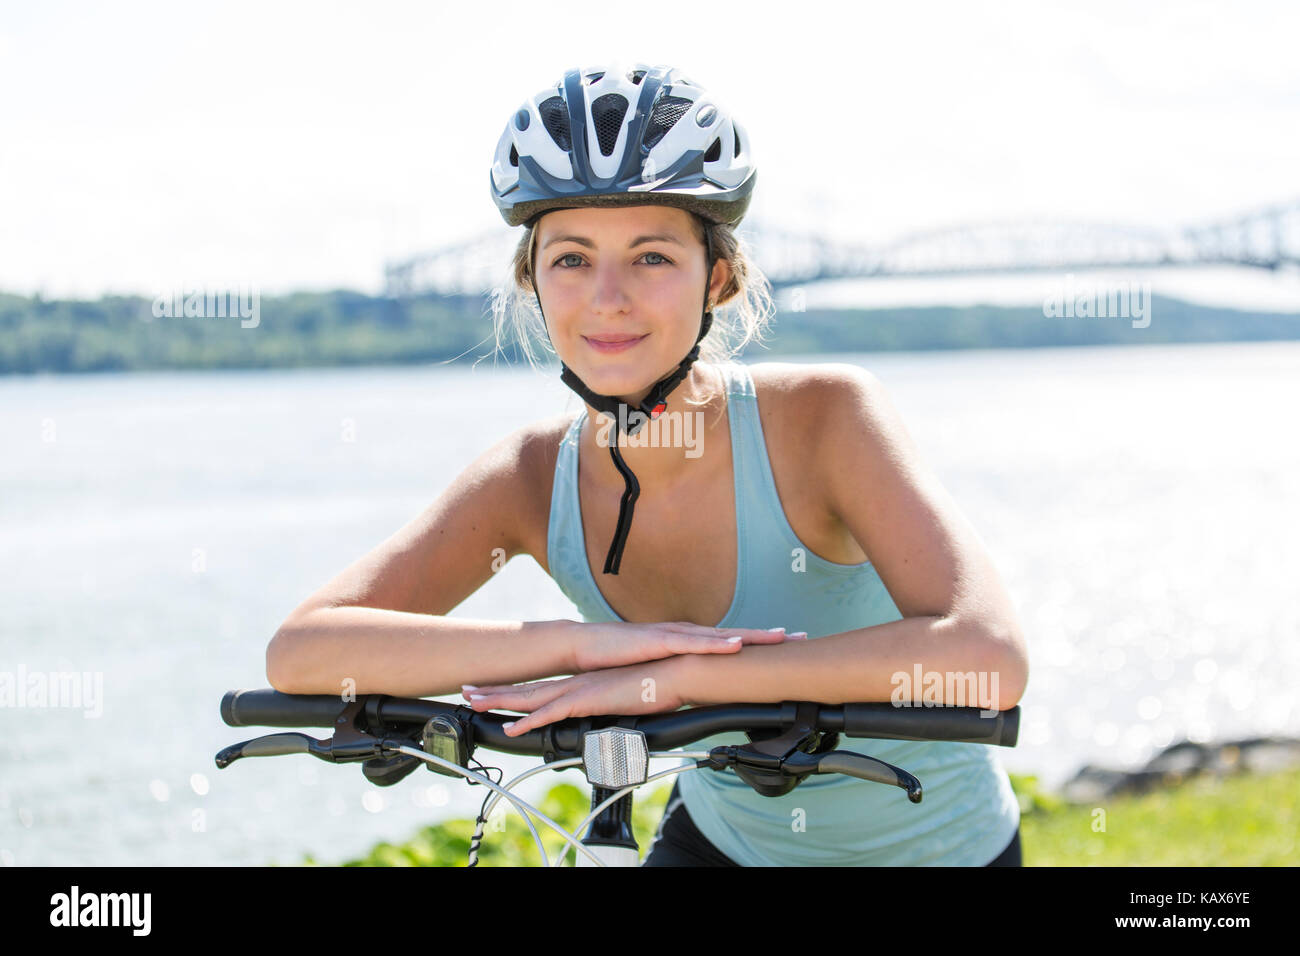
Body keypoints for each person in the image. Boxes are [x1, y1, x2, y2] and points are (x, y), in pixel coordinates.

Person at [265, 62, 1028, 866]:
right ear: (532, 282)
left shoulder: (823, 419)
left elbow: (988, 658)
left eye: (653, 257)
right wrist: (576, 648)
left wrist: (677, 678)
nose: (608, 297)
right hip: (722, 846)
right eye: (570, 259)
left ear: (719, 280)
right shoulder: (530, 478)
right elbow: (304, 651)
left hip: (946, 853)